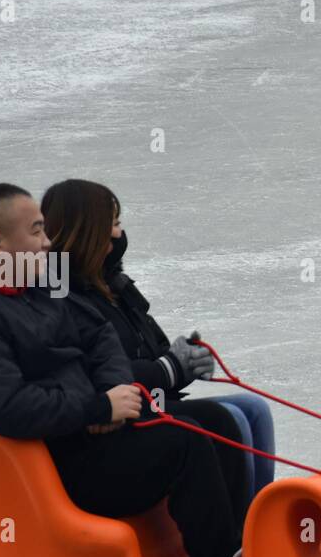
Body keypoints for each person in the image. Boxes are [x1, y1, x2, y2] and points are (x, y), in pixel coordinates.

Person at [0, 183, 242, 557]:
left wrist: (113, 392)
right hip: (51, 468)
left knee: (216, 422)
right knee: (187, 443)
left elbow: (97, 332)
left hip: (88, 434)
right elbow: (9, 407)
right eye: (37, 232)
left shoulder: (38, 278)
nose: (48, 243)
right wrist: (96, 408)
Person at [40, 179, 276, 516]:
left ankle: (259, 525)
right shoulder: (63, 299)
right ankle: (237, 542)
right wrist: (169, 369)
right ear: (92, 232)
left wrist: (184, 363)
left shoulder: (110, 286)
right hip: (115, 423)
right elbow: (97, 375)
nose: (119, 236)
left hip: (151, 403)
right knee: (230, 419)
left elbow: (154, 352)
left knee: (254, 409)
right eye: (115, 225)